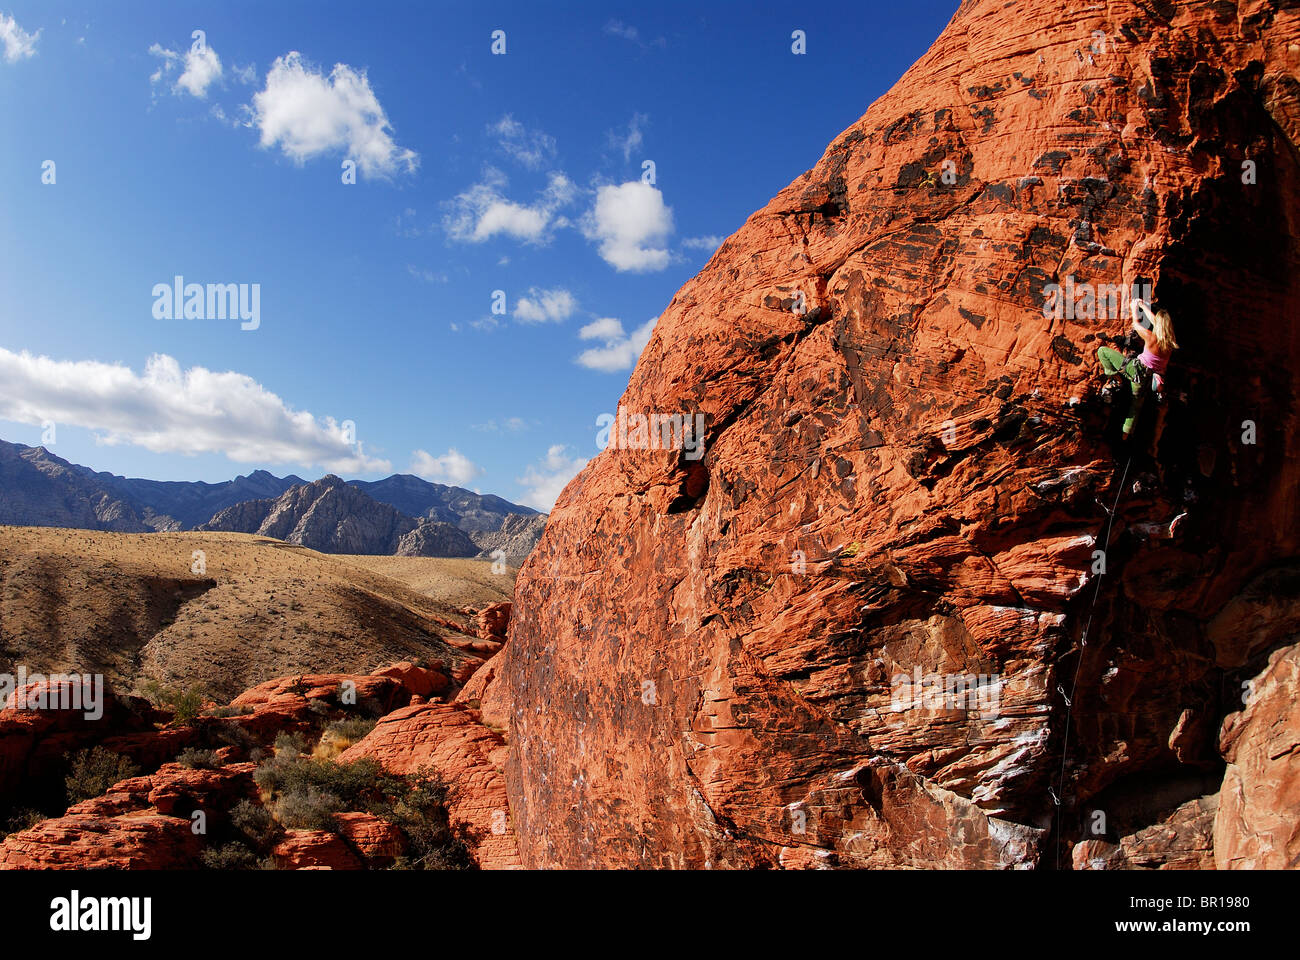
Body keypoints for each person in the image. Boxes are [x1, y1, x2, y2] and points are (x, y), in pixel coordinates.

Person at [1095, 299, 1178, 438]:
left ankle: (1115, 378)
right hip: (1148, 380)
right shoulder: (1169, 345)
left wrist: (1134, 308)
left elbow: (1136, 324)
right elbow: (1157, 323)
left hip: (1136, 371)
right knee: (1135, 407)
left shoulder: (1151, 338)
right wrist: (1143, 306)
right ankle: (1125, 436)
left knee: (1102, 351)